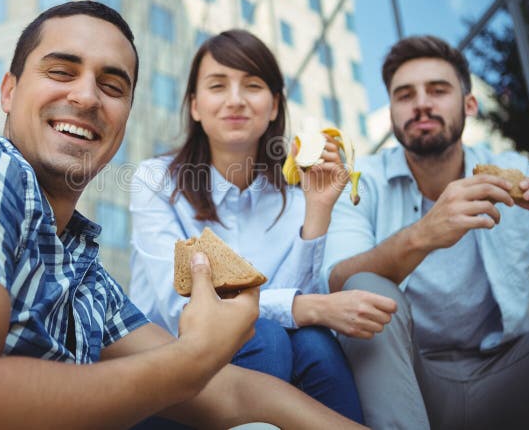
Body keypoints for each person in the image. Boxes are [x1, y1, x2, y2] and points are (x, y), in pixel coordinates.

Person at [0, 1, 365, 429]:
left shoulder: (80, 271)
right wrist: (193, 356)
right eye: (61, 71)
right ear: (9, 91)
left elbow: (234, 391)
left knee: (303, 349)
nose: (86, 97)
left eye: (112, 85)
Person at [322, 34, 529, 429]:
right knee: (366, 285)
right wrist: (423, 234)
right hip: (411, 382)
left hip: (510, 375)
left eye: (438, 90)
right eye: (405, 95)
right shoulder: (363, 184)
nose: (421, 103)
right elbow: (338, 282)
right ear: (391, 112)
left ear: (470, 104)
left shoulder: (513, 172)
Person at [129, 29, 396, 424]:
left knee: (313, 343)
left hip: (272, 364)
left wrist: (318, 209)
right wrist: (307, 307)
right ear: (196, 106)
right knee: (268, 335)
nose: (235, 99)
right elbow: (183, 309)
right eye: (218, 85)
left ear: (274, 106)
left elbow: (297, 312)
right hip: (169, 376)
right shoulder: (155, 181)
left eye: (252, 86)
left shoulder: (297, 193)